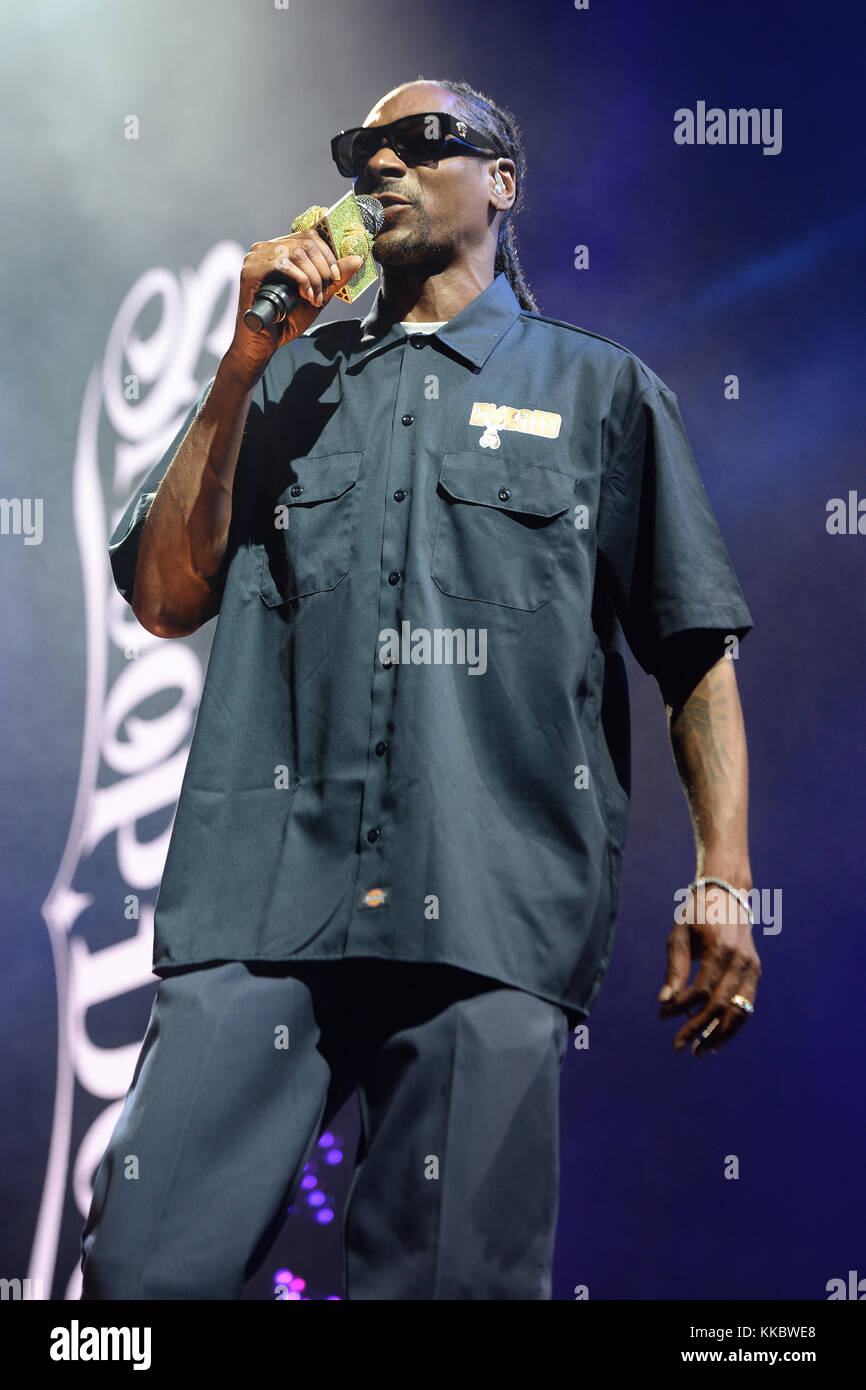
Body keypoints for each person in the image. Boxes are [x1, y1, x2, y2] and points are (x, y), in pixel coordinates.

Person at [80, 76, 761, 1301]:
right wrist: (239, 362)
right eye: (360, 150)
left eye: (418, 142)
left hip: (486, 911)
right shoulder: (285, 385)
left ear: (502, 182)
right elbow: (163, 596)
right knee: (134, 1282)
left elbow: (693, 648)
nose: (378, 165)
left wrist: (721, 876)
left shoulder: (597, 394)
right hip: (258, 905)